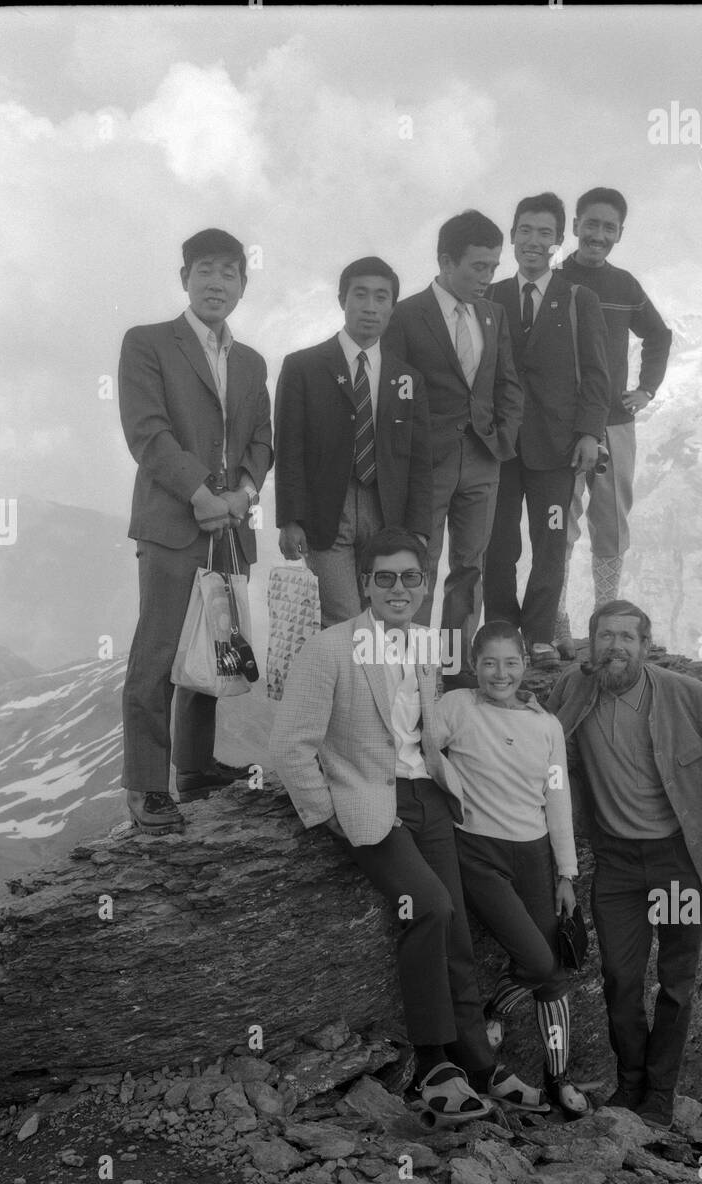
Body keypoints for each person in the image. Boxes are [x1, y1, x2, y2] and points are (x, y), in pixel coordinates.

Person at [269, 527, 544, 1123]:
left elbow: (429, 723)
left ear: (424, 584)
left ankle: (477, 1060)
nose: (399, 588)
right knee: (429, 907)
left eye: (411, 577)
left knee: (459, 933)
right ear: (365, 583)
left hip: (429, 797)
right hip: (369, 804)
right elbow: (291, 746)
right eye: (385, 577)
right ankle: (432, 1065)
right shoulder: (329, 649)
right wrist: (331, 816)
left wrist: (524, 713)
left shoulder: (425, 645)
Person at [545, 600, 702, 1128]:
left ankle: (660, 1093)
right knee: (620, 979)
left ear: (644, 644)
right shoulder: (572, 689)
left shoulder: (691, 698)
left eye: (626, 636)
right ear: (591, 644)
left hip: (677, 859)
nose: (615, 645)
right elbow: (540, 745)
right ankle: (629, 1081)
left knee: (676, 981)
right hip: (615, 862)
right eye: (604, 635)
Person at [119, 228, 272, 834]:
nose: (217, 282)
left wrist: (241, 496)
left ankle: (196, 768)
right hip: (171, 524)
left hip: (230, 526)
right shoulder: (149, 343)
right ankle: (147, 787)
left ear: (242, 284)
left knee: (214, 648)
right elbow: (147, 431)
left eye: (230, 273)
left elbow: (263, 441)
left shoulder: (254, 361)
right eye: (205, 270)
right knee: (156, 654)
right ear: (185, 278)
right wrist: (201, 495)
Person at [436, 620, 590, 1118]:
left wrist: (565, 873)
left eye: (510, 662)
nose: (499, 673)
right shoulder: (456, 709)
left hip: (534, 853)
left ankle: (557, 1079)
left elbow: (556, 796)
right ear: (472, 665)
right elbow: (413, 753)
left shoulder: (545, 726)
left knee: (554, 976)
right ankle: (494, 1012)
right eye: (488, 662)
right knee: (540, 960)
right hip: (479, 854)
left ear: (524, 665)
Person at [384, 211, 523, 685]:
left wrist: (503, 437)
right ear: (445, 260)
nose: (488, 278)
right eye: (477, 267)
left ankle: (455, 665)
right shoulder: (404, 315)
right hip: (427, 463)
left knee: (470, 565)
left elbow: (507, 381)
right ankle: (413, 666)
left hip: (484, 458)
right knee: (420, 561)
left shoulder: (493, 313)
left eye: (493, 266)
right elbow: (393, 392)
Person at [485, 193, 610, 666]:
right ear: (512, 235)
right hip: (498, 446)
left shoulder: (579, 300)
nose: (533, 242)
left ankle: (537, 635)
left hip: (557, 449)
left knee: (550, 543)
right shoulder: (491, 297)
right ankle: (499, 632)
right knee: (497, 546)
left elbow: (598, 375)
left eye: (544, 233)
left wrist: (588, 434)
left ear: (559, 241)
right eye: (525, 231)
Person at [274, 257, 432, 627]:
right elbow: (289, 447)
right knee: (345, 619)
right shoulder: (304, 367)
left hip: (387, 513)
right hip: (329, 512)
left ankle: (379, 687)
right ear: (342, 299)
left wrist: (420, 530)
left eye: (382, 297)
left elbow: (419, 460)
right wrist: (290, 520)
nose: (371, 307)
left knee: (386, 619)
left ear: (393, 307)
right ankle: (348, 684)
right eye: (360, 295)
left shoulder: (407, 378)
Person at [556, 189, 673, 657]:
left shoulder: (626, 286)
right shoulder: (554, 281)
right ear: (576, 226)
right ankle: (556, 622)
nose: (598, 234)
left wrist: (646, 389)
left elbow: (659, 336)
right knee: (558, 522)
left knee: (611, 521)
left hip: (614, 422)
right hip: (560, 424)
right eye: (591, 223)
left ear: (620, 234)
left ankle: (608, 620)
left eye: (609, 227)